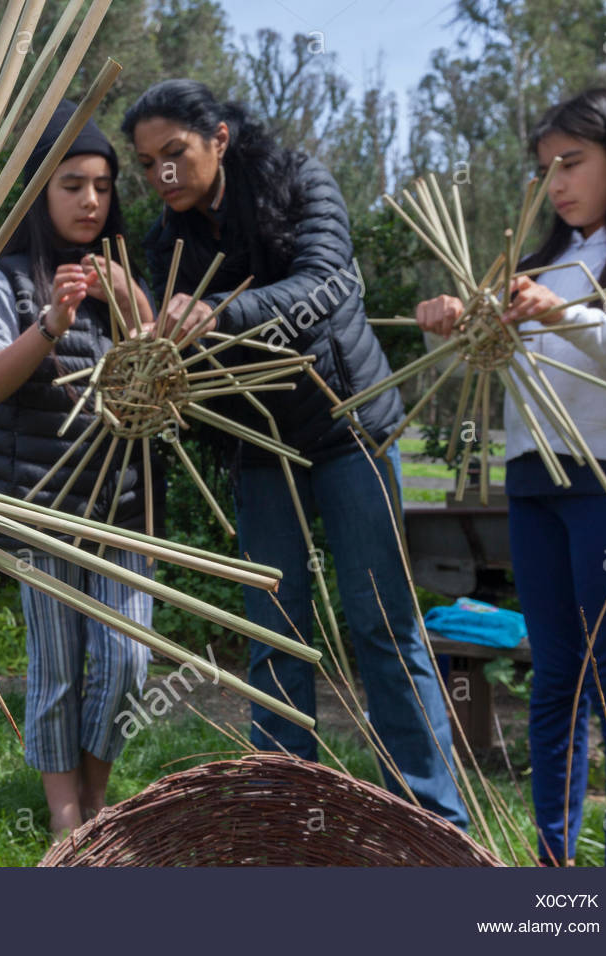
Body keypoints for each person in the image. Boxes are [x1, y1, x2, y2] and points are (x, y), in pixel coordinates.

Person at [122, 79, 469, 828]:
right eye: (148, 165)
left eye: (175, 154)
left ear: (219, 137)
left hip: (347, 427)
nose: (164, 177)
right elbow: (185, 365)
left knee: (381, 622)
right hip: (255, 446)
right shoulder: (164, 241)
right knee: (272, 630)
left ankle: (430, 821)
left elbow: (331, 285)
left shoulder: (298, 180)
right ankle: (286, 815)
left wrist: (218, 313)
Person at [418, 87, 606, 866]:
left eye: (572, 163)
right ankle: (553, 870)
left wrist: (561, 314)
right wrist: (461, 322)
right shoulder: (539, 264)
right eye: (544, 168)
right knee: (555, 679)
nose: (555, 183)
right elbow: (498, 367)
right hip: (532, 482)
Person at [0, 102, 160, 838]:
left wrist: (131, 310)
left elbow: (163, 380)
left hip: (121, 506)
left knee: (127, 664)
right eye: (72, 184)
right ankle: (66, 820)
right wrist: (49, 322)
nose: (90, 201)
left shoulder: (125, 288)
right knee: (59, 669)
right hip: (40, 505)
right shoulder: (9, 282)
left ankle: (99, 800)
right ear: (42, 195)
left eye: (103, 186)